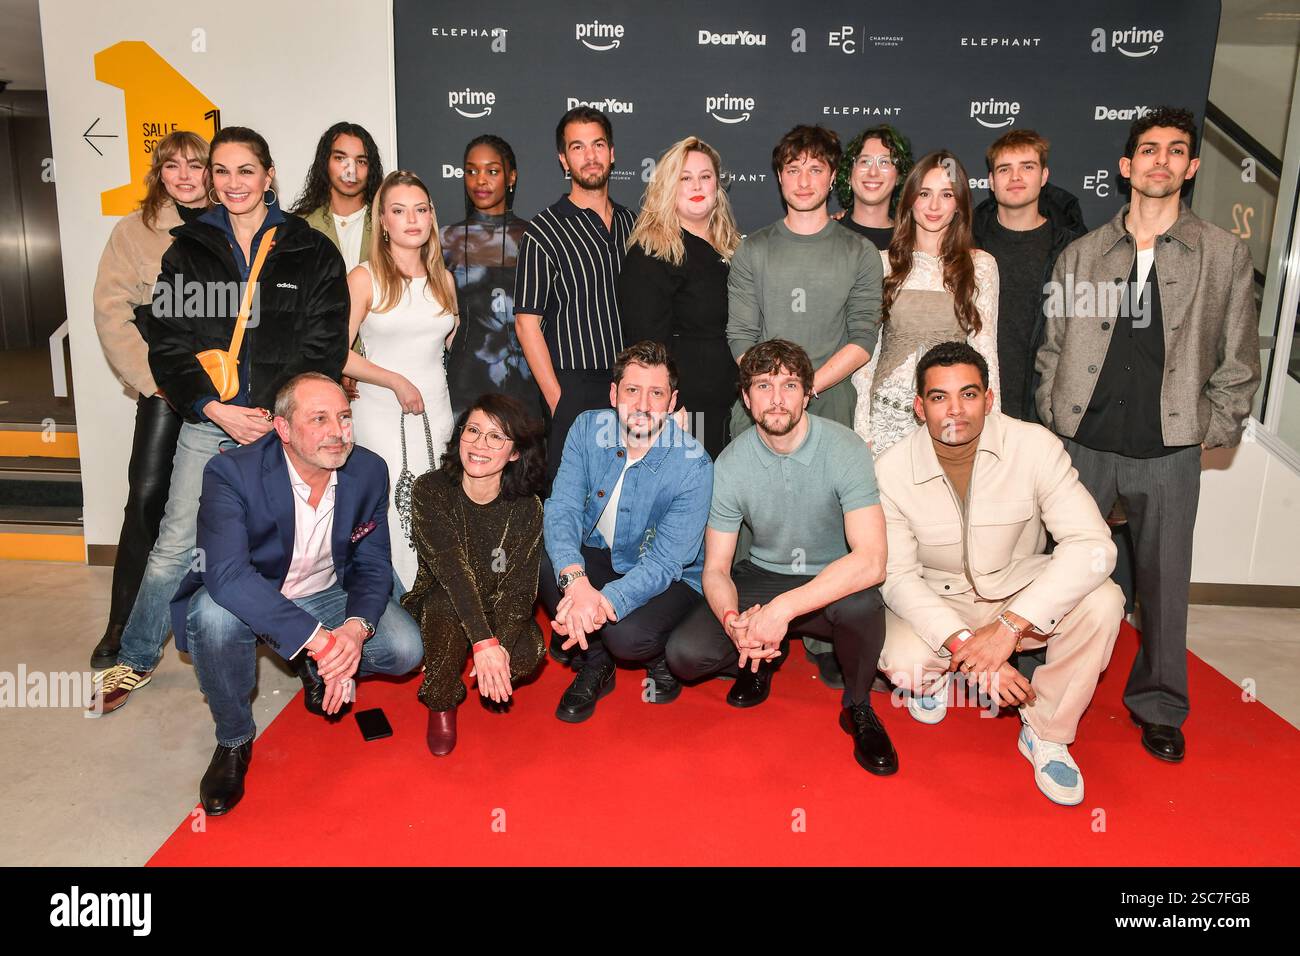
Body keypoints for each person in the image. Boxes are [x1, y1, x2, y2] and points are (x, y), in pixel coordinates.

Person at [89, 126, 350, 715]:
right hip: (212, 421)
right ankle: (134, 658)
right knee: (176, 543)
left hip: (288, 430)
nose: (234, 184)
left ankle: (312, 652)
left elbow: (325, 342)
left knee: (296, 544)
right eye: (223, 173)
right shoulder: (188, 251)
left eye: (245, 171)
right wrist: (213, 408)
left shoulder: (310, 250)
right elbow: (171, 345)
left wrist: (282, 416)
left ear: (269, 176)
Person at [1036, 106, 1261, 764]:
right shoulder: (1081, 254)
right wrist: (1056, 412)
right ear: (1126, 167)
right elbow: (1052, 349)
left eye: (1176, 151)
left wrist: (1210, 427)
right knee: (1064, 575)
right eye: (1149, 151)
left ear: (1191, 168)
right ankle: (1043, 689)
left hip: (1170, 449)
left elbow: (1240, 360)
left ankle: (1160, 705)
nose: (1161, 161)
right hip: (1086, 444)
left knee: (1164, 584)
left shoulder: (1221, 253)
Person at [876, 342, 1123, 805]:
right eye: (938, 397)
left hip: (1018, 595)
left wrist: (1010, 626)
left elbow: (1093, 545)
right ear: (918, 407)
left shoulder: (1035, 446)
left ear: (989, 400)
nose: (955, 410)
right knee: (903, 664)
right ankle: (939, 678)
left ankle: (1047, 731)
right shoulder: (891, 470)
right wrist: (967, 645)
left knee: (1105, 600)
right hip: (940, 601)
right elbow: (897, 577)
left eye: (968, 395)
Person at [173, 373, 423, 815]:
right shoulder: (231, 472)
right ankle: (233, 739)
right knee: (212, 617)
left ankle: (309, 658)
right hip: (258, 593)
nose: (337, 432)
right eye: (320, 419)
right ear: (283, 429)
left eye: (344, 417)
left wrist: (352, 630)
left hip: (327, 592)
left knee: (405, 649)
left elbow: (371, 564)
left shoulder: (368, 470)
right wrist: (323, 642)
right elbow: (228, 575)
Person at [666, 340, 896, 776]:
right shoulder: (731, 464)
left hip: (831, 579)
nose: (776, 398)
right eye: (763, 385)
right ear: (746, 398)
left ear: (809, 393)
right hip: (764, 574)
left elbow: (872, 561)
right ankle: (758, 659)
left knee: (863, 601)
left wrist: (781, 611)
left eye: (790, 385)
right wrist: (735, 619)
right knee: (684, 655)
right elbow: (716, 568)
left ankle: (858, 707)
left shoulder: (846, 449)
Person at [540, 341, 711, 723]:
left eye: (656, 393)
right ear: (614, 393)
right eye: (632, 390)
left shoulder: (693, 465)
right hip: (602, 553)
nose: (643, 405)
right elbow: (562, 508)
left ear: (672, 402)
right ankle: (597, 664)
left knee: (627, 637)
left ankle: (654, 652)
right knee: (545, 564)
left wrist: (599, 603)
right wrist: (577, 582)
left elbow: (668, 561)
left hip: (669, 574)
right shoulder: (586, 428)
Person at [89, 129, 210, 670]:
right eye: (172, 166)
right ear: (158, 172)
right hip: (164, 383)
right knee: (147, 498)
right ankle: (122, 621)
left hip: (226, 383)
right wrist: (152, 380)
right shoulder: (134, 233)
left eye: (195, 165)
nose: (183, 176)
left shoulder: (233, 224)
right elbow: (111, 311)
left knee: (229, 500)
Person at [403, 394, 547, 756]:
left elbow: (519, 590)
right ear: (460, 436)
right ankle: (441, 700)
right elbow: (451, 570)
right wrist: (483, 643)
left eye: (496, 437)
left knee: (531, 651)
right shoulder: (430, 490)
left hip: (496, 604)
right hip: (445, 597)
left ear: (514, 453)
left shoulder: (527, 507)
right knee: (443, 608)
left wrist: (496, 650)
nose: (480, 444)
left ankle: (471, 664)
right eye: (473, 430)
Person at [342, 170, 459, 592]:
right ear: (383, 222)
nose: (412, 219)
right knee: (394, 511)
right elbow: (335, 353)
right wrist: (394, 380)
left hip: (437, 414)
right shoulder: (364, 277)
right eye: (399, 210)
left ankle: (434, 609)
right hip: (381, 416)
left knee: (437, 511)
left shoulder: (444, 280)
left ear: (431, 217)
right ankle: (400, 611)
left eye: (421, 209)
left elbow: (445, 345)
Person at [727, 124, 883, 434]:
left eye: (815, 169)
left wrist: (805, 388)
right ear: (779, 176)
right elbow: (741, 335)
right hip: (761, 407)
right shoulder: (752, 249)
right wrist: (775, 391)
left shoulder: (861, 252)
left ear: (833, 175)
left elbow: (863, 338)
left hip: (830, 405)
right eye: (794, 169)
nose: (803, 181)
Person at [514, 106, 636, 482]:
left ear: (612, 153)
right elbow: (526, 324)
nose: (590, 156)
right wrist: (558, 400)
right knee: (572, 508)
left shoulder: (636, 225)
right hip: (574, 385)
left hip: (633, 388)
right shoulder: (543, 231)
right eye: (578, 147)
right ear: (564, 159)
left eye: (598, 144)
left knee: (629, 501)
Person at [852, 150, 1001, 457]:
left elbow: (986, 350)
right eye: (925, 193)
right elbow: (868, 354)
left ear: (959, 203)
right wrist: (861, 428)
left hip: (953, 417)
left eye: (946, 194)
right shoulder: (881, 265)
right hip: (886, 418)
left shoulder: (981, 266)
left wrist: (993, 426)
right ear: (909, 201)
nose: (934, 206)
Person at [619, 136, 741, 459]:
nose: (696, 185)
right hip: (685, 415)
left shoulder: (734, 249)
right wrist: (671, 404)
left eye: (705, 177)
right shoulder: (651, 253)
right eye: (684, 178)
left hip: (733, 410)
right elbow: (646, 344)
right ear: (668, 187)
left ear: (718, 185)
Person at [971, 129, 1086, 421]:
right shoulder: (965, 242)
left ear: (1044, 176)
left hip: (1046, 407)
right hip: (975, 402)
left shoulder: (1074, 250)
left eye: (1027, 167)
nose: (1016, 177)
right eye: (1005, 169)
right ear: (991, 181)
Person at [442, 135, 539, 421]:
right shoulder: (446, 240)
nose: (480, 180)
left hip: (525, 380)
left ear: (511, 177)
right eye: (471, 171)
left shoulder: (534, 237)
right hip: (465, 380)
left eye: (491, 171)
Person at [290, 121, 384, 272]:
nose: (350, 170)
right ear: (325, 162)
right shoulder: (299, 227)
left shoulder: (387, 224)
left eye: (361, 161)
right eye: (340, 158)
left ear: (371, 168)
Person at [835, 124, 914, 251]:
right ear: (849, 175)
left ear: (899, 176)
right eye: (865, 161)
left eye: (884, 162)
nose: (873, 172)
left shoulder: (912, 241)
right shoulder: (827, 234)